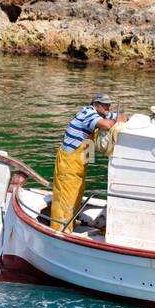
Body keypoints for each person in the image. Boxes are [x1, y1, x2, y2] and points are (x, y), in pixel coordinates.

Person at [51, 94, 125, 231]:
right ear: (96, 104)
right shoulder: (88, 114)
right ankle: (59, 230)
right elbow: (107, 125)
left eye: (109, 105)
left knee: (76, 195)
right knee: (65, 199)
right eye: (105, 105)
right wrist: (115, 121)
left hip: (79, 163)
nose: (109, 107)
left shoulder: (100, 113)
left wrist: (116, 118)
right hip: (69, 164)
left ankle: (70, 224)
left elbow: (122, 116)